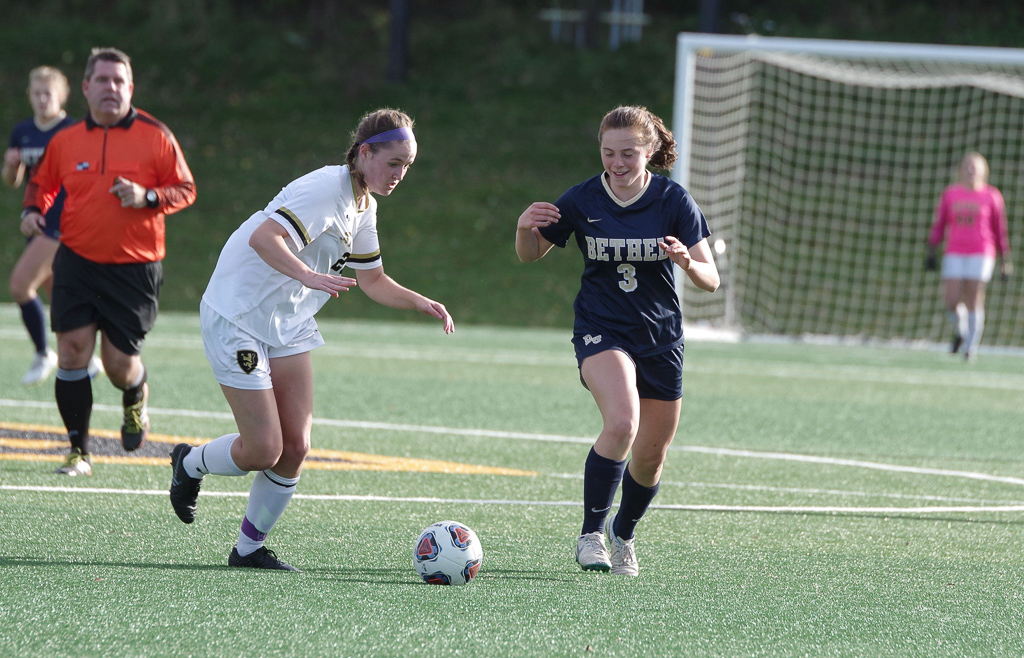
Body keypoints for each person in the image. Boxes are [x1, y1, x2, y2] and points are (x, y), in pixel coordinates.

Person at [168, 108, 454, 571]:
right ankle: (189, 463)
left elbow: (373, 280)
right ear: (365, 153)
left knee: (295, 447)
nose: (400, 174)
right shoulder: (325, 189)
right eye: (394, 163)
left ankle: (248, 550)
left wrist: (420, 302)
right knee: (264, 449)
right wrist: (307, 274)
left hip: (289, 321)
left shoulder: (364, 205)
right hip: (238, 314)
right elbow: (264, 238)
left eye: (408, 166)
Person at [515, 105, 720, 576]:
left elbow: (711, 279)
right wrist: (524, 228)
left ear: (649, 151)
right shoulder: (582, 198)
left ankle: (623, 533)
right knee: (623, 422)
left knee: (650, 457)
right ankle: (591, 536)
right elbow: (530, 255)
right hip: (601, 328)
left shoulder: (673, 200)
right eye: (609, 153)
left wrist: (686, 262)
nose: (617, 162)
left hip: (660, 337)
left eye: (628, 153)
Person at [21, 47, 197, 476]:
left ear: (130, 88)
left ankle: (134, 397)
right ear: (85, 87)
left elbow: (185, 189)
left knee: (119, 366)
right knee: (71, 352)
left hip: (134, 269)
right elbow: (42, 183)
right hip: (77, 262)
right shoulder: (66, 140)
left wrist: (147, 196)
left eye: (119, 81)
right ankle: (78, 451)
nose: (111, 88)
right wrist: (32, 210)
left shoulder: (156, 136)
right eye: (102, 80)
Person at [3, 66, 101, 386]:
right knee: (59, 296)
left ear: (62, 96)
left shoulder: (73, 129)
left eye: (48, 93)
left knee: (20, 285)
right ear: (29, 96)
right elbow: (13, 181)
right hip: (36, 221)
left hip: (63, 222)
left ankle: (44, 353)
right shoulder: (22, 131)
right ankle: (86, 357)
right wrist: (11, 165)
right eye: (37, 93)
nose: (42, 99)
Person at [926, 151, 1012, 362]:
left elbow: (999, 229)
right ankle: (962, 329)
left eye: (975, 167)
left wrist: (1005, 258)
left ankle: (970, 348)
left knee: (974, 297)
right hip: (954, 251)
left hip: (981, 251)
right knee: (951, 300)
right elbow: (940, 223)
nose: (971, 170)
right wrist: (932, 247)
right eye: (967, 166)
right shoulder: (951, 194)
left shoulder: (991, 195)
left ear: (984, 171)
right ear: (960, 170)